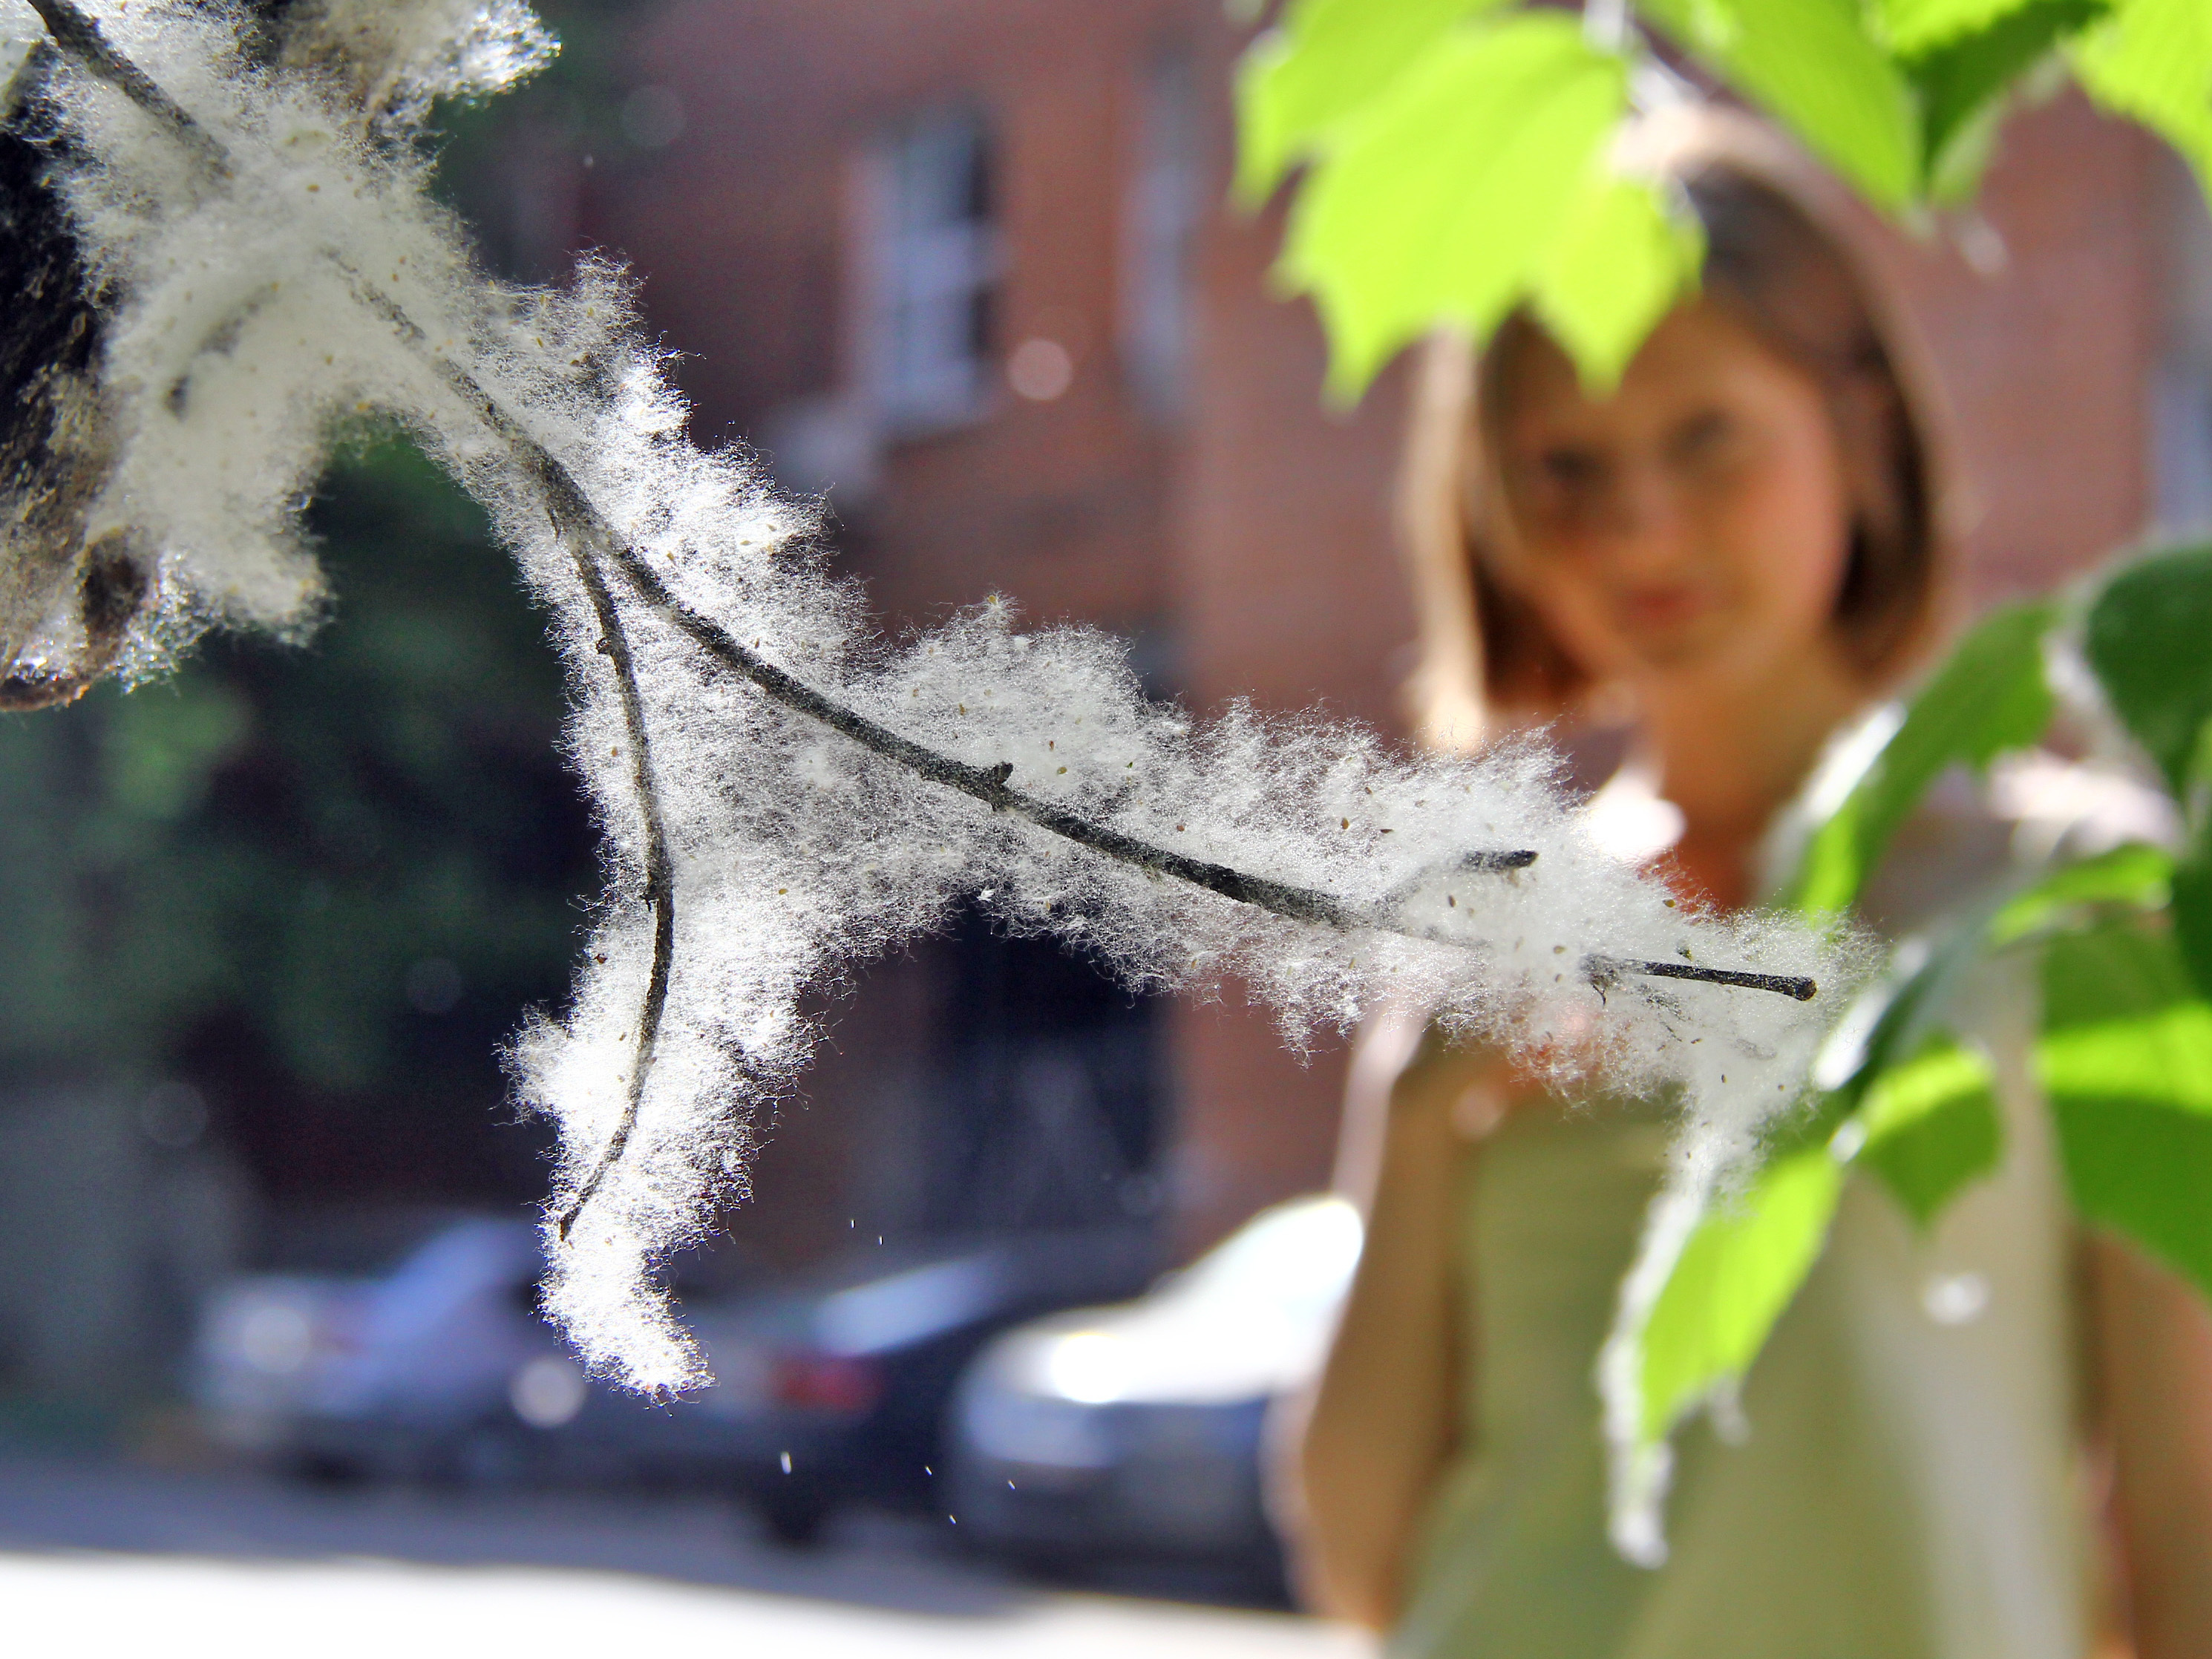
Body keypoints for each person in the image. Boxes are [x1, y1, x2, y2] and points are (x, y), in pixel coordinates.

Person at [1286, 113, 2212, 1658]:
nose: (1635, 522)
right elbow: (1360, 1564)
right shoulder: (1488, 938)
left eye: (1703, 435)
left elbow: (2182, 1501)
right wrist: (1411, 1098)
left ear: (1854, 421)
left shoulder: (2078, 897)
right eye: (1562, 465)